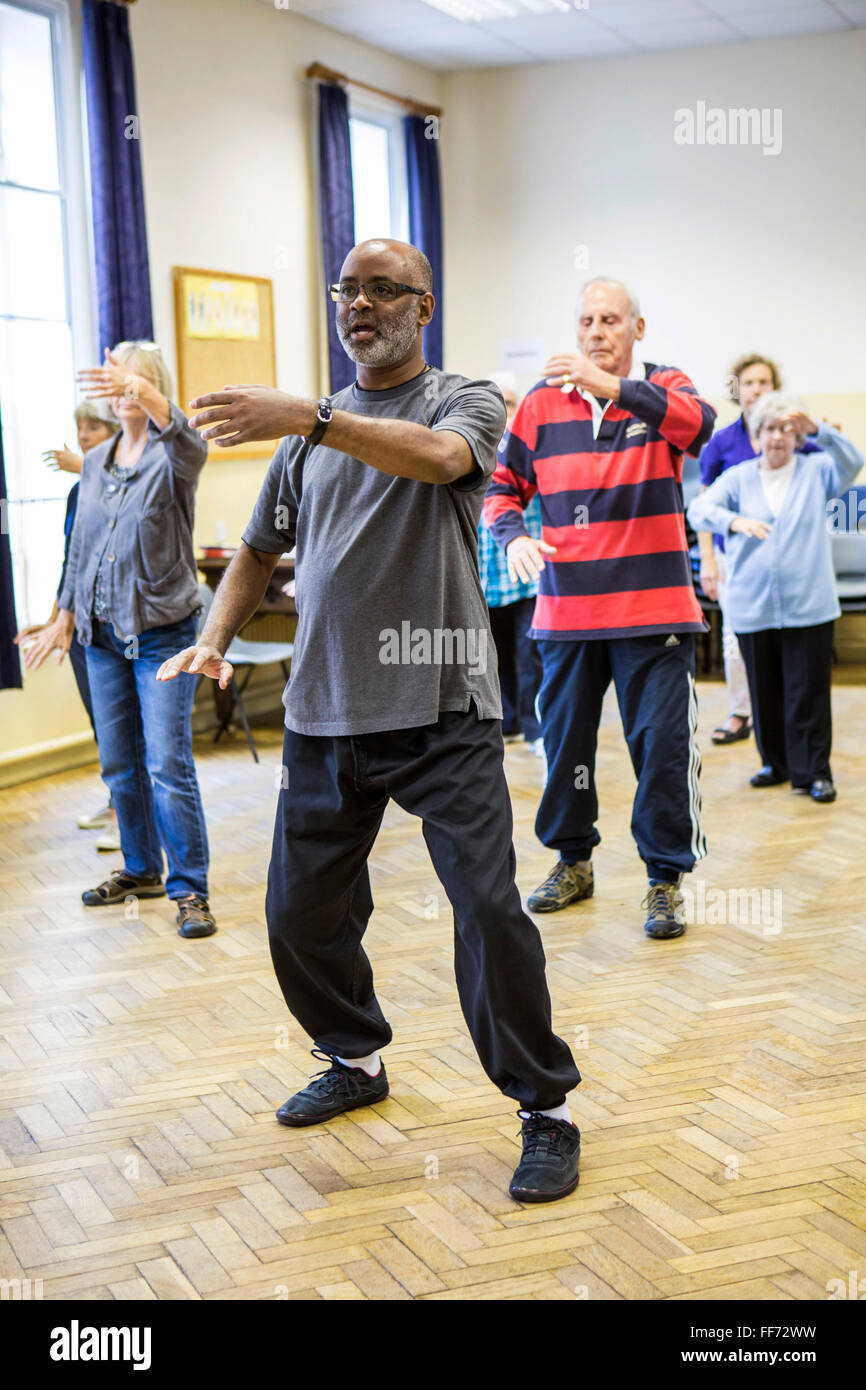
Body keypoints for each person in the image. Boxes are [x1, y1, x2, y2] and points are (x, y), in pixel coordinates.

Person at [158, 238, 582, 1203]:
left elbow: (442, 462)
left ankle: (545, 1109)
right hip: (325, 710)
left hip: (442, 706)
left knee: (487, 913)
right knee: (298, 916)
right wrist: (219, 638)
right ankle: (354, 1056)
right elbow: (259, 552)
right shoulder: (310, 434)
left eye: (382, 289)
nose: (360, 303)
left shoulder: (462, 400)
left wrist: (311, 415)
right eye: (348, 289)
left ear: (422, 308)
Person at [485, 277, 716, 939]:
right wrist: (516, 536)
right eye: (586, 320)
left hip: (657, 616)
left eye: (610, 320)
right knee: (567, 752)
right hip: (566, 618)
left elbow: (700, 427)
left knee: (664, 752)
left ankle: (663, 881)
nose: (595, 331)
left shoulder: (664, 387)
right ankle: (572, 860)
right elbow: (501, 489)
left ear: (636, 329)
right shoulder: (539, 406)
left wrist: (607, 384)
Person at [18, 342, 216, 939]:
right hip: (101, 637)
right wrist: (65, 615)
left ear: (152, 386)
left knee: (166, 765)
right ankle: (140, 868)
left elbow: (188, 436)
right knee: (119, 764)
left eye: (137, 380)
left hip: (162, 636)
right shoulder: (99, 459)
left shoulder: (176, 454)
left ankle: (190, 889)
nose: (124, 388)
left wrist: (150, 396)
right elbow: (82, 544)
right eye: (118, 379)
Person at [688, 391, 862, 803]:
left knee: (809, 692)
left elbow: (854, 461)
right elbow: (698, 510)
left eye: (786, 428)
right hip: (753, 605)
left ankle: (815, 772)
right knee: (764, 692)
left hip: (810, 605)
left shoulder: (818, 470)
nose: (777, 436)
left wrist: (819, 430)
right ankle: (775, 764)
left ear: (798, 435)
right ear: (756, 435)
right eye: (769, 428)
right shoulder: (740, 477)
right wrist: (734, 521)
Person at [697, 355, 821, 746]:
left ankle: (785, 718)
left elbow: (828, 474)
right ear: (738, 390)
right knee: (736, 640)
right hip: (737, 558)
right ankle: (741, 713)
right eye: (748, 382)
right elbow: (704, 506)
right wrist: (709, 562)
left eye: (764, 382)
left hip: (790, 560)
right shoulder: (722, 442)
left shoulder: (793, 436)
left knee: (784, 645)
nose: (755, 389)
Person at [16, 404, 120, 849]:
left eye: (93, 426)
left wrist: (91, 469)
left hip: (122, 624)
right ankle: (118, 803)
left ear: (117, 431)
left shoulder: (128, 481)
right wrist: (56, 616)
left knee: (123, 727)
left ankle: (132, 820)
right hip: (81, 627)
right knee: (102, 721)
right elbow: (71, 560)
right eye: (79, 427)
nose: (82, 435)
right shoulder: (78, 492)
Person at [477, 372, 543, 754]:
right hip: (487, 573)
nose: (504, 409)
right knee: (495, 656)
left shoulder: (529, 448)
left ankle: (537, 730)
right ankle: (510, 722)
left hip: (526, 570)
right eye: (496, 400)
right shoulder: (471, 444)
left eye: (511, 401)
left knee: (530, 654)